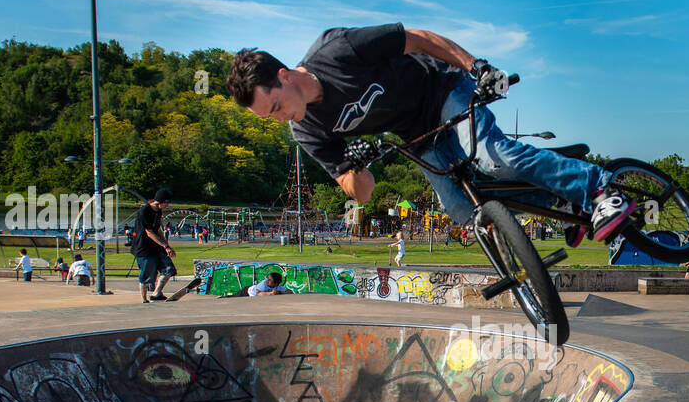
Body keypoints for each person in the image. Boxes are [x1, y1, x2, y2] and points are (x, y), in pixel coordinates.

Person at [225, 25, 638, 247]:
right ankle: (557, 196)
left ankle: (601, 189)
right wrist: (358, 164)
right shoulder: (306, 130)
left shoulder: (336, 50)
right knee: (463, 209)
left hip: (441, 89)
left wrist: (476, 66)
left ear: (284, 76)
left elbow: (418, 38)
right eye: (271, 118)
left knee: (491, 157)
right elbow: (362, 193)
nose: (282, 119)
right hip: (416, 135)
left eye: (276, 107)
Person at [131, 188, 176, 303]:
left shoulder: (158, 211)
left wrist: (167, 245)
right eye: (166, 203)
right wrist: (165, 246)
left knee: (169, 269)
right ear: (160, 202)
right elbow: (149, 232)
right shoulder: (144, 211)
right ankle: (144, 298)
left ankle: (157, 293)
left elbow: (158, 229)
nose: (167, 206)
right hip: (144, 248)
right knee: (147, 274)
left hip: (157, 247)